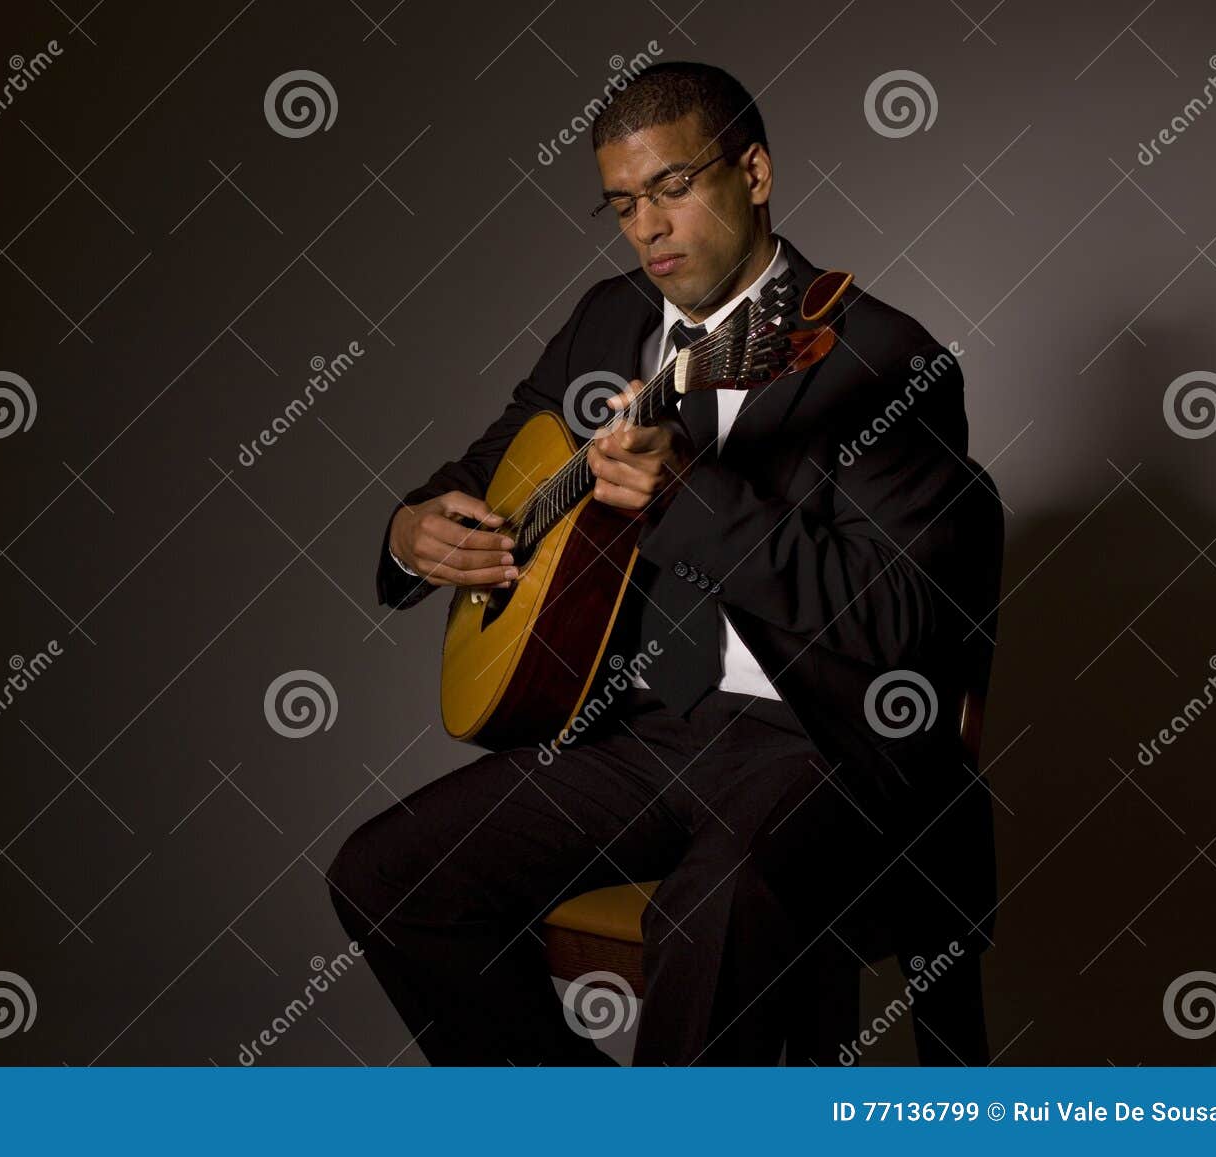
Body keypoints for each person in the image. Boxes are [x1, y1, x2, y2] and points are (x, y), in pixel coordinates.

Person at [328, 61, 1002, 1066]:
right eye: (625, 203)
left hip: (815, 741)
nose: (649, 228)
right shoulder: (611, 324)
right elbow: (498, 460)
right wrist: (412, 530)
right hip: (636, 736)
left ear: (755, 173)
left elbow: (896, 621)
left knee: (709, 913)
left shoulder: (879, 361)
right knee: (385, 875)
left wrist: (691, 492)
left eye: (675, 187)